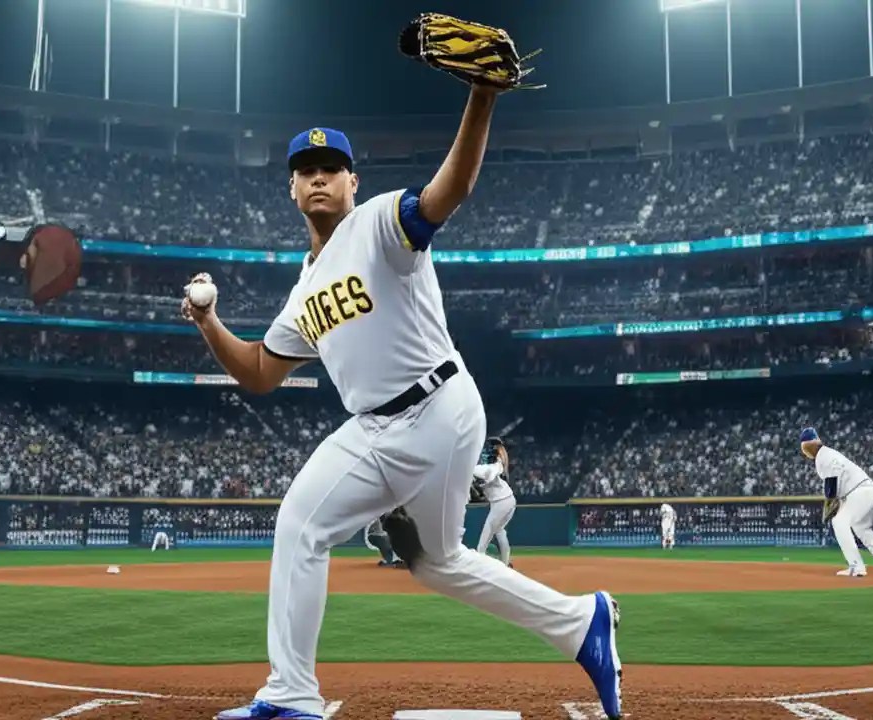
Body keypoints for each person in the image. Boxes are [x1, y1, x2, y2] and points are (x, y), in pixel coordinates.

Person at [183, 85, 621, 720]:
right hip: (372, 428)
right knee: (393, 550)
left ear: (353, 181)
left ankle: (292, 693)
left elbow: (451, 190)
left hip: (439, 407)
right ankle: (583, 624)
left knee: (394, 548)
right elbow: (257, 372)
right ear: (291, 189)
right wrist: (209, 323)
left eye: (331, 169)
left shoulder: (380, 224)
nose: (317, 180)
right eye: (305, 172)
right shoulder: (305, 289)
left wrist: (483, 95)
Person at [798, 428, 873, 578]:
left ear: (808, 446)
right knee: (863, 530)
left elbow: (832, 480)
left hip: (858, 491)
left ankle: (856, 567)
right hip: (864, 489)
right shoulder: (827, 453)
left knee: (839, 522)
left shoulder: (822, 456)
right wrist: (833, 500)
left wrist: (830, 502)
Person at [472, 437, 516, 568]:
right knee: (500, 531)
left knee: (484, 540)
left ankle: (480, 565)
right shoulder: (497, 464)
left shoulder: (485, 468)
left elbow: (483, 474)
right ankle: (505, 563)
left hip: (501, 503)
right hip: (509, 500)